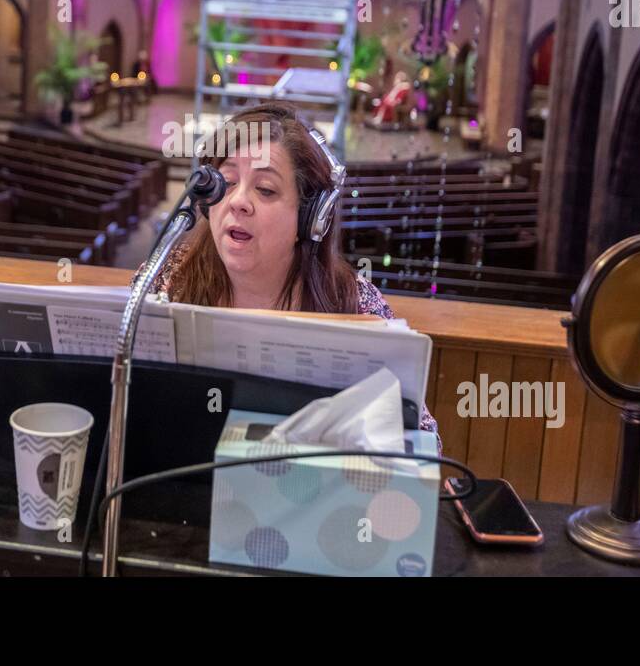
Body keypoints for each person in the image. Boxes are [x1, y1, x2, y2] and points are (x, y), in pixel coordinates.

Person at [136, 102, 440, 445]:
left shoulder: (354, 302)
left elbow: (423, 437)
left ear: (310, 218)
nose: (238, 201)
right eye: (228, 181)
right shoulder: (164, 277)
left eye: (265, 189)